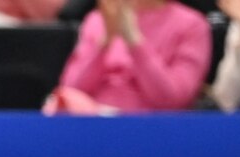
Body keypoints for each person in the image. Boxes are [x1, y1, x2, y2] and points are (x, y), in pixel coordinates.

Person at [44, 0, 211, 114]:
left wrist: (134, 42)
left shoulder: (193, 25)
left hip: (154, 131)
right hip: (93, 127)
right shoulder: (99, 19)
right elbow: (72, 88)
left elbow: (173, 99)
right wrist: (106, 42)